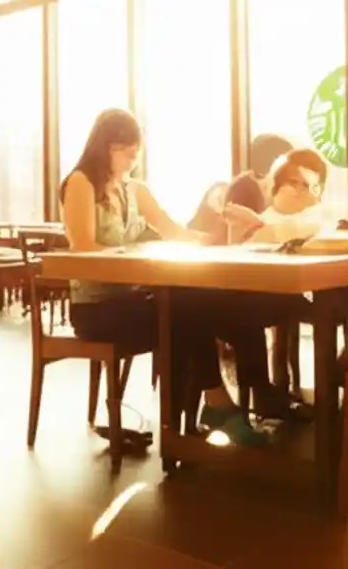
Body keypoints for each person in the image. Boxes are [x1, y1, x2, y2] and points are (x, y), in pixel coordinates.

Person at [62, 108, 289, 445]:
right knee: (187, 309)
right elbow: (83, 246)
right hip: (97, 308)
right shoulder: (81, 182)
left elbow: (171, 229)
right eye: (127, 154)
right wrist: (138, 254)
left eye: (136, 154)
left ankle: (200, 419)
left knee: (200, 303)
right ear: (107, 146)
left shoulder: (134, 189)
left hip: (132, 298)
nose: (132, 162)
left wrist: (208, 241)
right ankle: (204, 414)